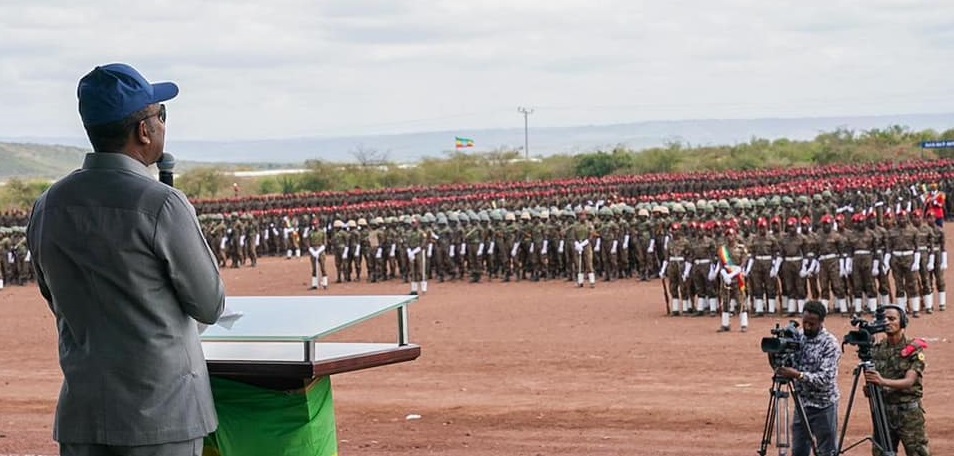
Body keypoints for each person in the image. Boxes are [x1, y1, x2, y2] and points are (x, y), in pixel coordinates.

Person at [26, 63, 225, 456]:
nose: (163, 125)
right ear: (144, 131)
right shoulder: (161, 204)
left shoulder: (48, 205)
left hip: (84, 412)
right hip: (162, 415)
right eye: (161, 115)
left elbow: (55, 298)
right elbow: (209, 304)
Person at [776, 300, 842, 456]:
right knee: (799, 450)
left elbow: (825, 378)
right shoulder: (798, 338)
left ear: (821, 322)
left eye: (812, 324)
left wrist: (797, 375)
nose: (807, 327)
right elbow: (788, 364)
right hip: (802, 403)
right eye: (804, 322)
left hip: (824, 405)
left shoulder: (830, 344)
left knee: (827, 451)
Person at [863, 305, 931, 455]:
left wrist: (882, 381)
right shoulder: (877, 349)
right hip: (884, 413)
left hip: (908, 415)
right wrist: (870, 389)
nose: (887, 322)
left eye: (892, 319)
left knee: (917, 452)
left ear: (902, 322)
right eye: (884, 319)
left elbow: (909, 381)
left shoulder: (913, 349)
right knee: (881, 452)